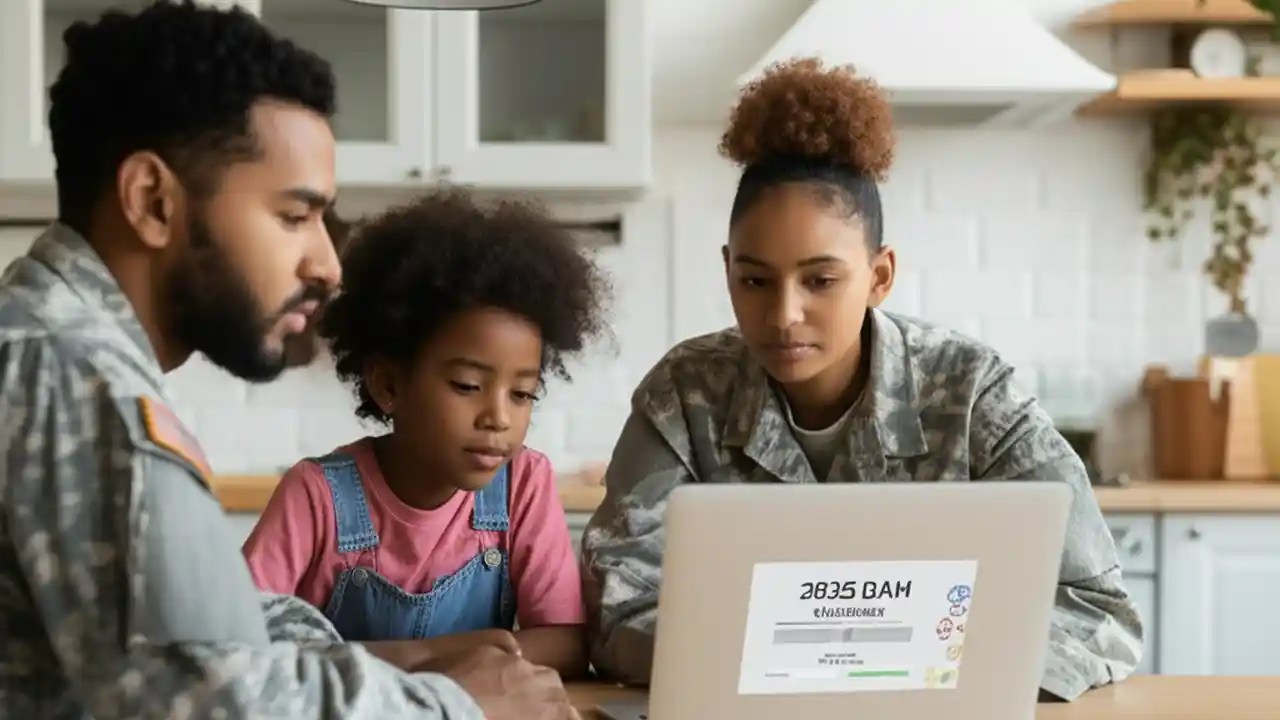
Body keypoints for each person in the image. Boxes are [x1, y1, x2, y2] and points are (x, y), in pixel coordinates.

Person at [0, 2, 578, 718]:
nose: (329, 266)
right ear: (152, 201)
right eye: (294, 216)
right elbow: (211, 702)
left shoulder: (56, 354)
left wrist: (420, 665)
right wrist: (451, 706)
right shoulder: (75, 381)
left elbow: (219, 631)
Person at [579, 58, 1144, 703]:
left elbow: (1099, 613)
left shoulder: (970, 391)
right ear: (727, 268)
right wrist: (855, 664)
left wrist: (855, 664)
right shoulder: (684, 393)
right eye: (755, 280)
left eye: (820, 280)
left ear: (879, 276)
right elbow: (617, 613)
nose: (784, 314)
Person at [243, 188, 609, 680]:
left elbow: (565, 642)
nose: (498, 417)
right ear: (390, 385)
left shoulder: (523, 483)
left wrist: (407, 661)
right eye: (467, 386)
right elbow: (238, 644)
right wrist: (451, 655)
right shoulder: (317, 496)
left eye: (523, 394)